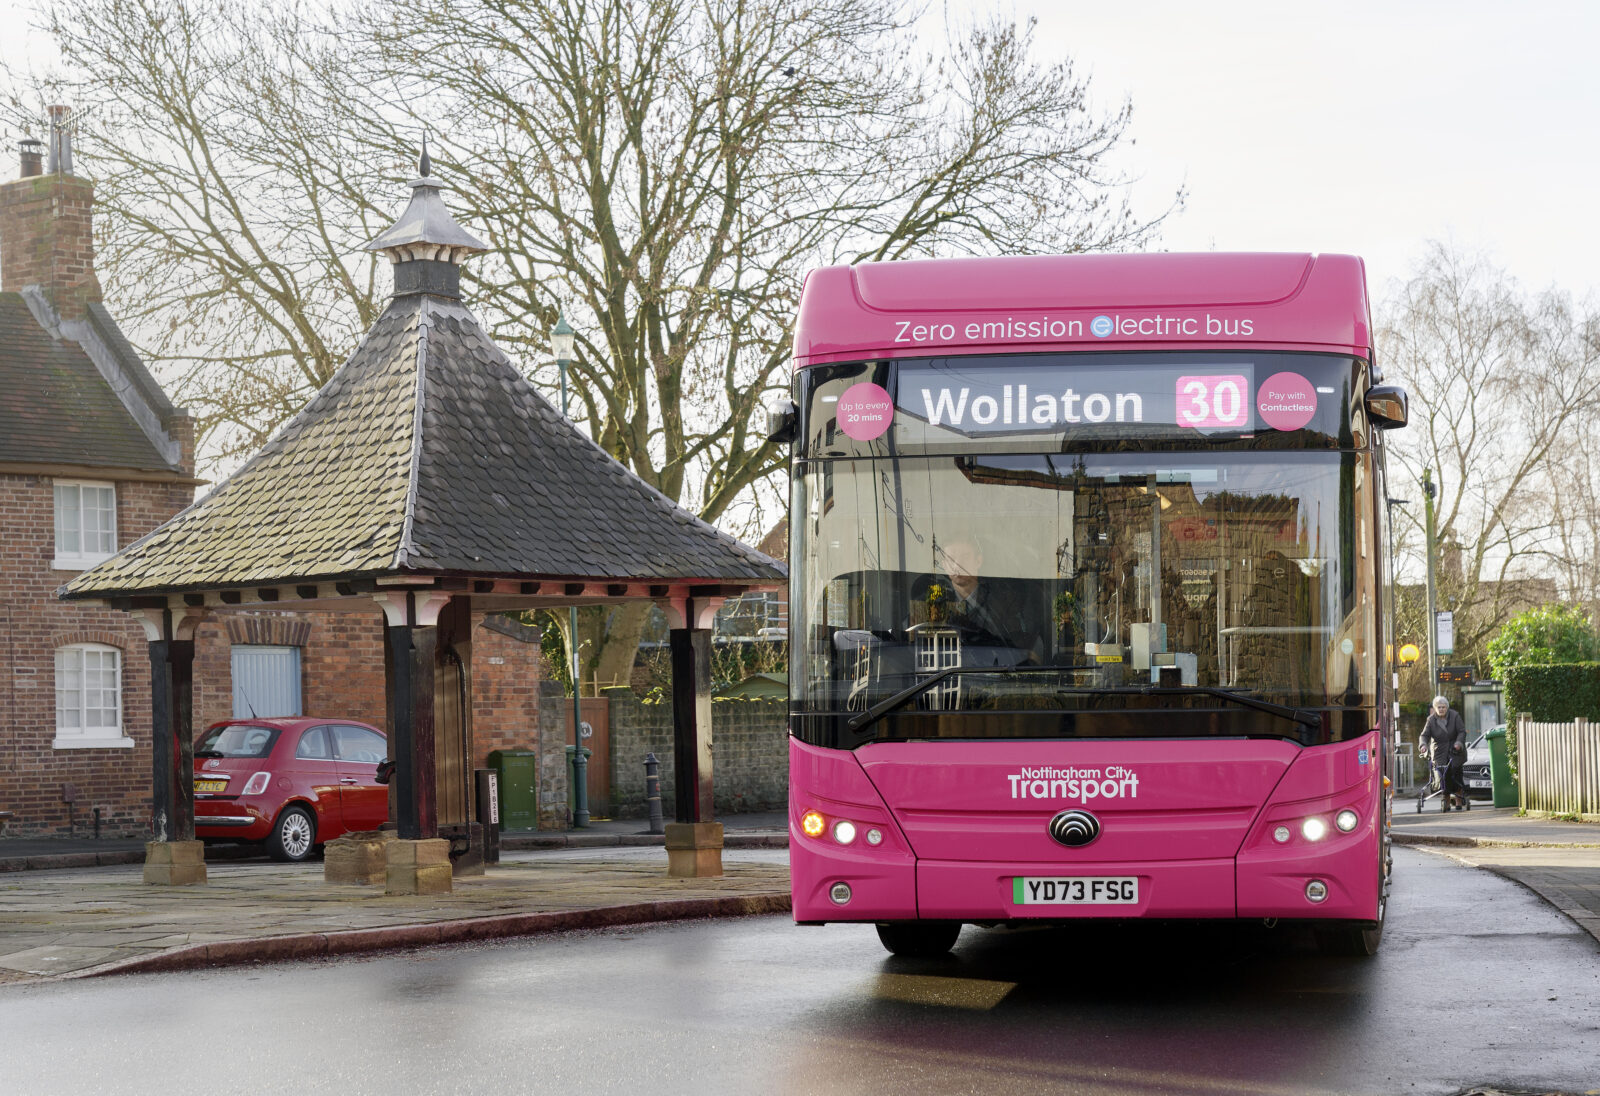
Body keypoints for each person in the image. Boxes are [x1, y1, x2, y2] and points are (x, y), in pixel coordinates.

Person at [1419, 695, 1469, 812]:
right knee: (1442, 775)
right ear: (1435, 708)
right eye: (1439, 707)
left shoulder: (1455, 716)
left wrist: (1458, 743)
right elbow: (1424, 735)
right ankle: (1445, 799)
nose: (1441, 709)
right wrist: (1423, 745)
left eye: (1443, 707)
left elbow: (1462, 731)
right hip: (1439, 751)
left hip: (1454, 750)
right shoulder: (1431, 720)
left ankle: (1458, 798)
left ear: (1447, 707)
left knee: (1456, 773)